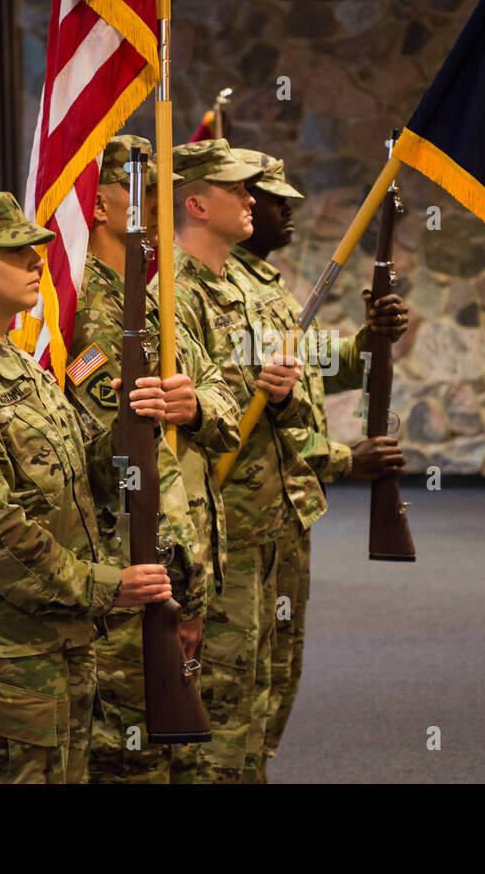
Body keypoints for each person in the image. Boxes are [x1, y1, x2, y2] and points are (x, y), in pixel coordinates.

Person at [0, 191, 172, 784]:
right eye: (15, 252)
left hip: (53, 640)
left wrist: (131, 427)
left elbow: (69, 482)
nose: (37, 261)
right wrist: (104, 586)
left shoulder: (18, 368)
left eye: (36, 248)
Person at [66, 136, 241, 784]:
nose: (160, 209)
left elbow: (226, 399)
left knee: (180, 757)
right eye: (142, 192)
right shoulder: (95, 315)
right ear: (101, 208)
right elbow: (136, 462)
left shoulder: (156, 300)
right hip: (137, 569)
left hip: (184, 549)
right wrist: (182, 588)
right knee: (132, 760)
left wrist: (196, 407)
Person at [229, 146, 408, 770]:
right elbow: (241, 418)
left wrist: (369, 340)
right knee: (236, 686)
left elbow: (308, 372)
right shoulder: (215, 292)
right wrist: (339, 460)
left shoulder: (263, 287)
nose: (289, 211)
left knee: (277, 670)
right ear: (238, 205)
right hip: (239, 517)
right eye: (275, 200)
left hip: (281, 514)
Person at [165, 139, 315, 784]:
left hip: (274, 512)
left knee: (267, 677)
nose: (254, 199)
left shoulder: (247, 283)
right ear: (196, 203)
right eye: (238, 190)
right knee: (219, 691)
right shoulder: (172, 294)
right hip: (218, 524)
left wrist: (285, 398)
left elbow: (296, 400)